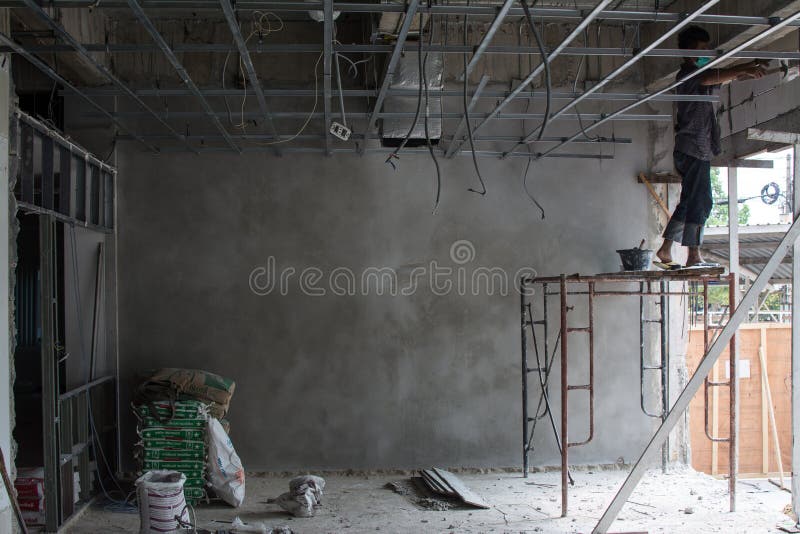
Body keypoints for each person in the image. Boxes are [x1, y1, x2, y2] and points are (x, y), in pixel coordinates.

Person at [656, 25, 766, 268]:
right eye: (702, 49)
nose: (707, 52)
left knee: (690, 201)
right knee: (702, 201)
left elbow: (719, 79)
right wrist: (742, 68)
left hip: (695, 147)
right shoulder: (688, 74)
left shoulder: (702, 75)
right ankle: (693, 255)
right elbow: (709, 77)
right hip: (694, 147)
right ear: (688, 52)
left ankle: (666, 249)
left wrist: (745, 71)